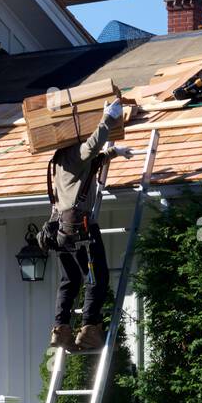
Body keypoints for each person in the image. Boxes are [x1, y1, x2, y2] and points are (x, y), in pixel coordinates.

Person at [47, 98, 132, 351]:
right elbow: (91, 148)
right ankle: (89, 329)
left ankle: (61, 329)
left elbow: (89, 162)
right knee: (97, 277)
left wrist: (114, 153)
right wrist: (107, 118)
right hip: (82, 229)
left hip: (61, 229)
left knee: (70, 279)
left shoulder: (60, 157)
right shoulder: (75, 151)